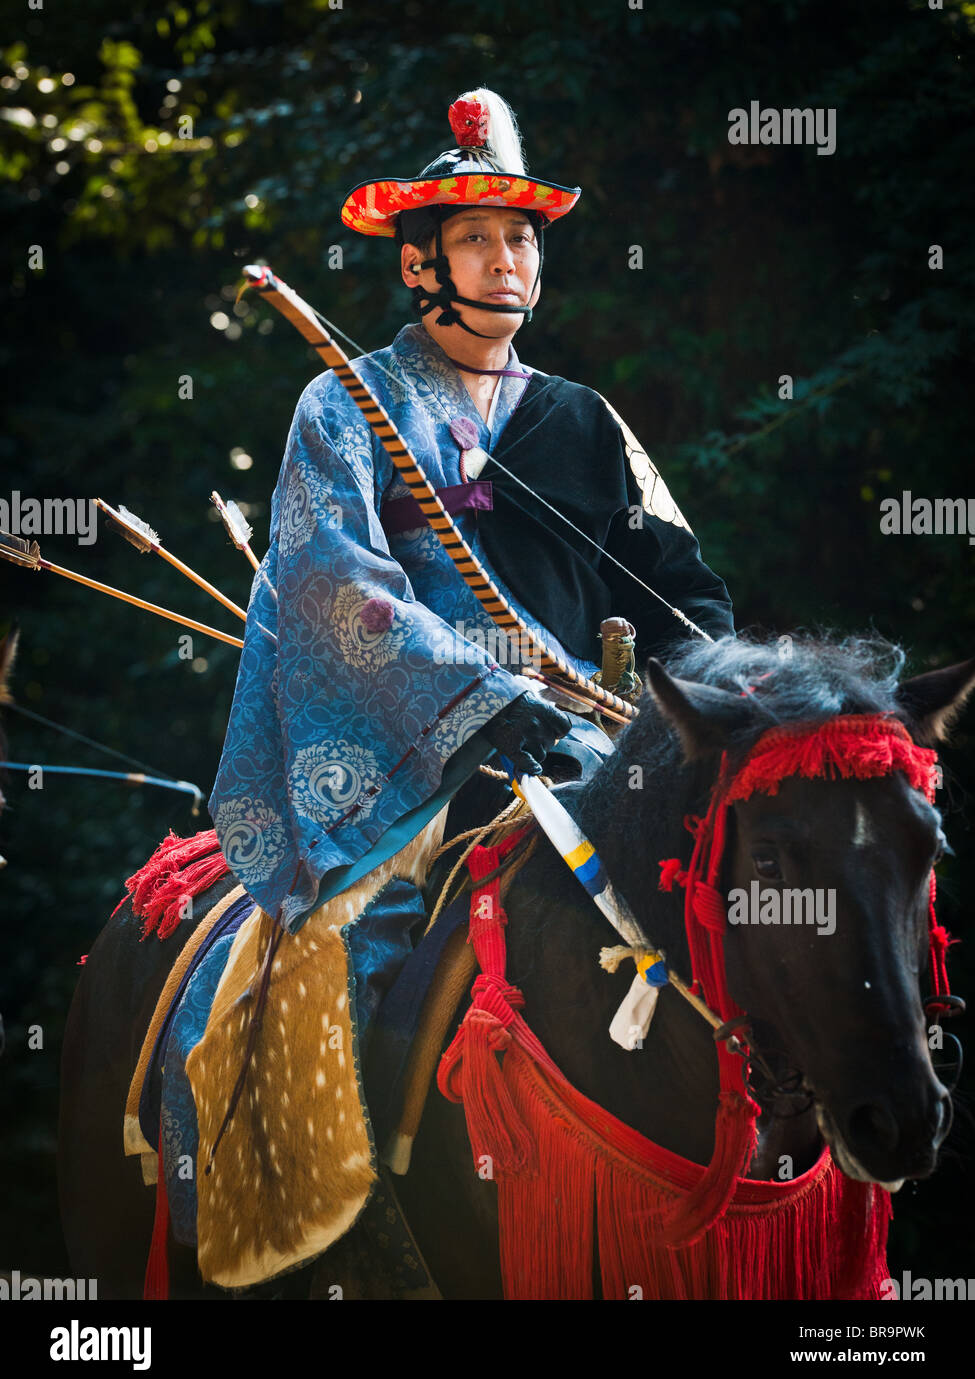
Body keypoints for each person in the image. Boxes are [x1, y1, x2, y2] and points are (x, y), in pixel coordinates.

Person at [208, 87, 734, 940]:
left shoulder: (586, 418)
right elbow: (333, 580)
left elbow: (680, 593)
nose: (505, 260)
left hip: (584, 745)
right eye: (475, 240)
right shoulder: (345, 401)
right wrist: (482, 696)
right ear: (417, 265)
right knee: (349, 948)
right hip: (408, 757)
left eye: (520, 239)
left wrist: (712, 710)